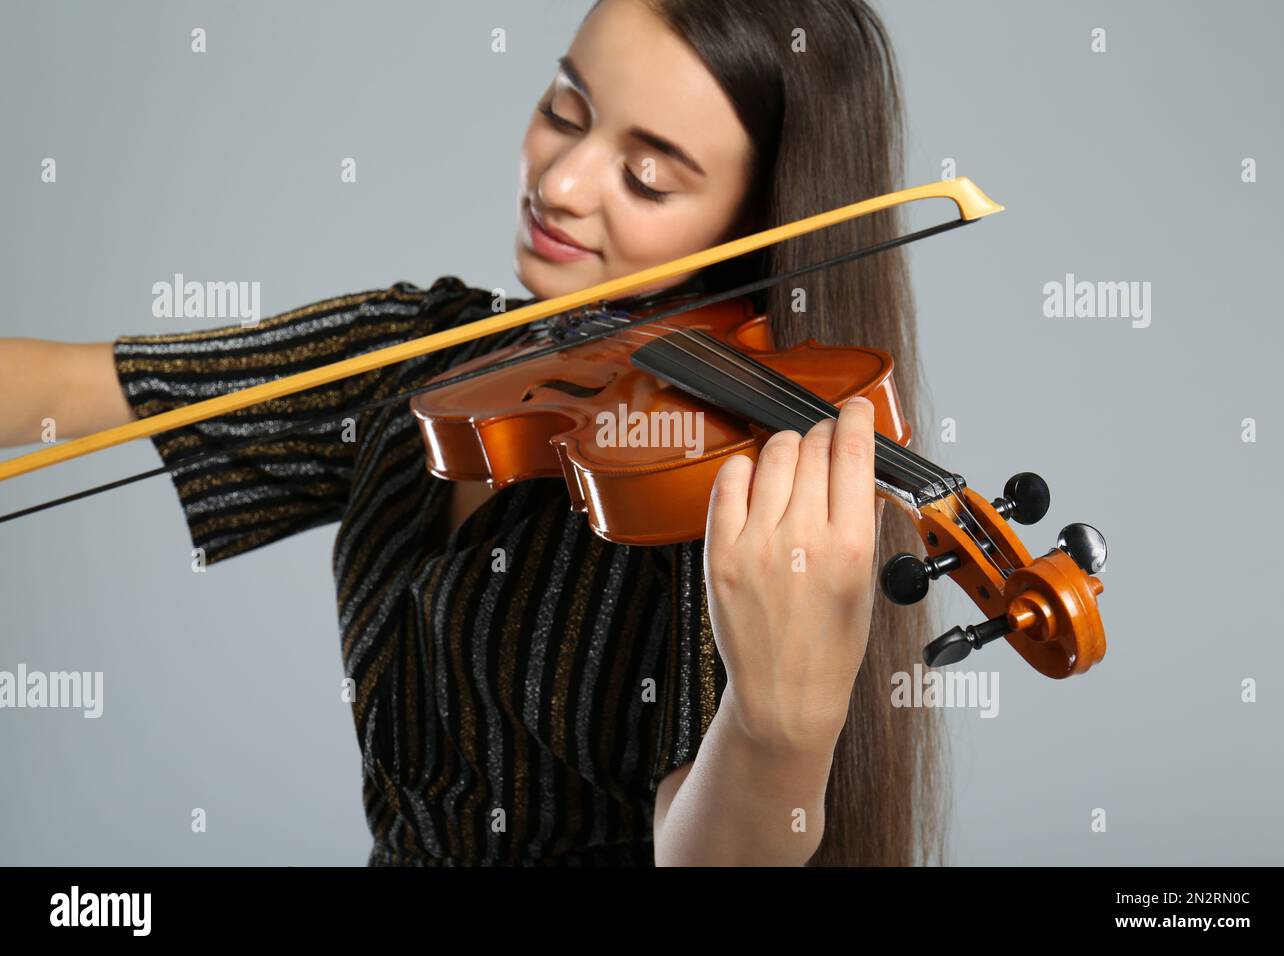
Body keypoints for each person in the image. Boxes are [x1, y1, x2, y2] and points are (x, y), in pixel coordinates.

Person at [0, 0, 946, 866]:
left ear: (756, 218)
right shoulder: (431, 353)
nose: (563, 182)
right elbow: (73, 386)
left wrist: (778, 734)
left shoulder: (721, 481)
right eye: (566, 112)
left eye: (648, 177)